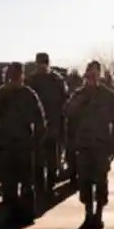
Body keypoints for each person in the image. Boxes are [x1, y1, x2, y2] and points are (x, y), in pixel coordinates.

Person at [64, 61, 114, 229]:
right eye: (89, 75)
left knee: (101, 181)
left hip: (101, 144)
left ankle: (98, 213)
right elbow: (67, 113)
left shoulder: (108, 95)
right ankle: (88, 213)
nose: (92, 78)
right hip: (83, 145)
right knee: (85, 181)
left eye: (95, 75)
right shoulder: (79, 94)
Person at [0, 62, 47, 226]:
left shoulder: (26, 94)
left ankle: (20, 213)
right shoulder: (9, 93)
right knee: (15, 182)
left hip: (18, 143)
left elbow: (39, 120)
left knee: (20, 181)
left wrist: (35, 141)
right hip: (14, 142)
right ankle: (18, 214)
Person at [28, 52, 68, 191]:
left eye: (43, 63)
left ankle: (50, 183)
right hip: (38, 126)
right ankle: (41, 186)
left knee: (51, 158)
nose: (41, 67)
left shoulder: (56, 80)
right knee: (39, 158)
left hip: (52, 124)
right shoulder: (32, 80)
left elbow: (64, 102)